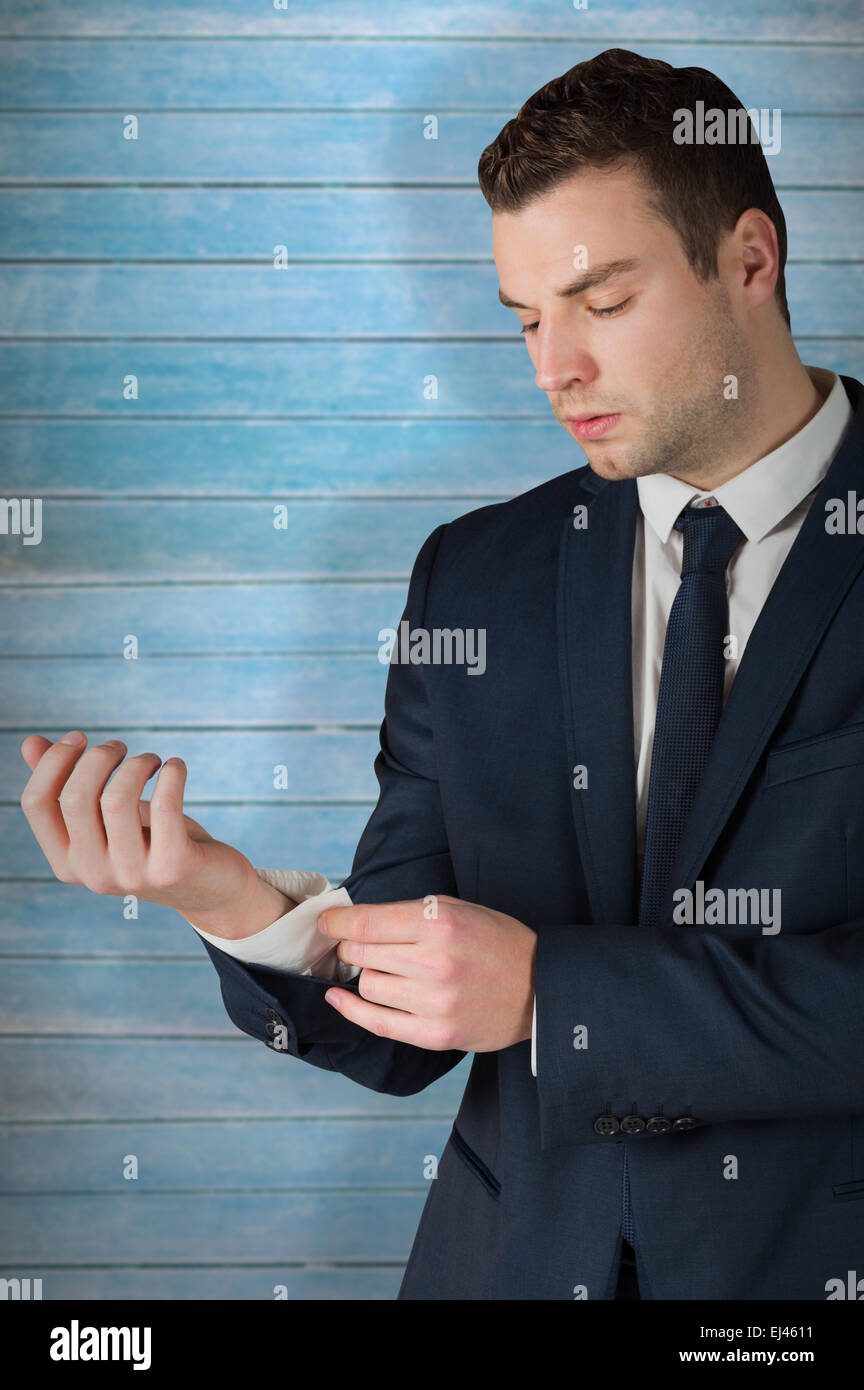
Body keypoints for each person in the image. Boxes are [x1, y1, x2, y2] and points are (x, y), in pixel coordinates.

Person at [20, 49, 864, 1300]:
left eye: (602, 303)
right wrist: (235, 901)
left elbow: (528, 993)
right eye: (528, 318)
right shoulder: (474, 579)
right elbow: (417, 1019)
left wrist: (555, 991)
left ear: (750, 260)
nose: (551, 368)